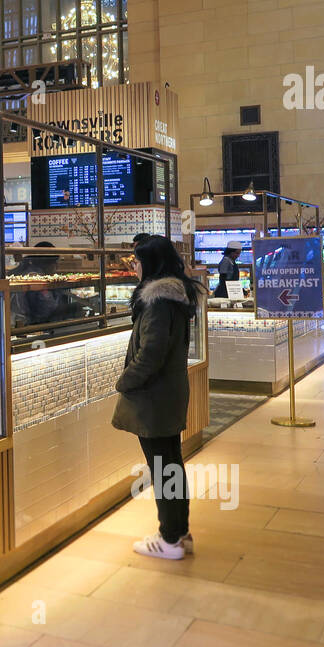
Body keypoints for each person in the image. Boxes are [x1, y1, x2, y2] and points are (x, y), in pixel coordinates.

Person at [111, 235, 202, 560]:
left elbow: (151, 353)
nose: (133, 266)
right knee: (170, 466)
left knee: (163, 468)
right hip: (167, 394)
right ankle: (178, 532)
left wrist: (125, 381)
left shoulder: (158, 303)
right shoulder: (174, 297)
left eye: (136, 260)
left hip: (154, 398)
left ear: (150, 263)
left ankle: (169, 539)